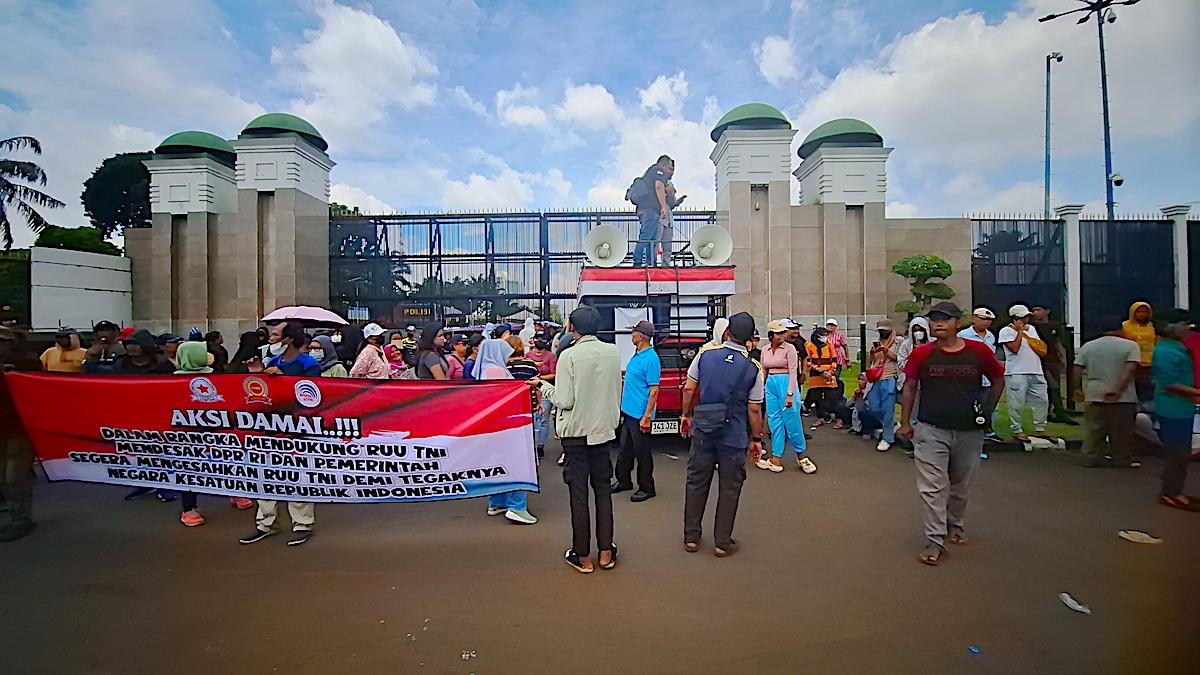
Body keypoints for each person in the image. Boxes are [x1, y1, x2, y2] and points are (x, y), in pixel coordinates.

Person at [897, 302, 1005, 566]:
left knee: (961, 484)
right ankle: (935, 539)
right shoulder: (922, 354)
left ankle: (955, 523)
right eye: (934, 319)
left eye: (945, 319)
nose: (938, 324)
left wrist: (987, 410)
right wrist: (906, 422)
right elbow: (910, 386)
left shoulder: (978, 352)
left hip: (969, 430)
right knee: (932, 487)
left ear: (958, 322)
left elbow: (998, 379)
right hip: (931, 428)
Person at [534, 306, 621, 572]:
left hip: (575, 434)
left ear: (572, 327)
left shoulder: (568, 356)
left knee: (579, 494)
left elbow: (565, 400)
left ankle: (582, 556)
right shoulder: (613, 352)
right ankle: (606, 552)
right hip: (602, 431)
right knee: (603, 491)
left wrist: (541, 385)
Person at [680, 312, 763, 557]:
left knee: (696, 482)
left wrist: (686, 415)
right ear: (750, 338)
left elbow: (689, 388)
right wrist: (756, 438)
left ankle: (691, 537)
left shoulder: (705, 355)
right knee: (729, 488)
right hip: (733, 435)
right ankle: (722, 542)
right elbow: (754, 409)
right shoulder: (753, 368)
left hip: (704, 430)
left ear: (727, 332)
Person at [242, 320, 318, 545]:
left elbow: (312, 397)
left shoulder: (309, 364)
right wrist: (257, 374)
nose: (271, 338)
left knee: (298, 477)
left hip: (298, 430)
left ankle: (302, 523)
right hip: (271, 429)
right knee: (267, 476)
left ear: (289, 339)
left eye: (275, 335)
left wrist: (284, 378)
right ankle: (266, 523)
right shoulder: (272, 362)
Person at [473, 337, 538, 525]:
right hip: (508, 424)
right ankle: (517, 506)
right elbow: (505, 397)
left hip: (493, 426)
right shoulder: (497, 370)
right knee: (517, 463)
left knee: (498, 463)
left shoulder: (484, 369)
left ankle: (497, 502)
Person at [1073, 316, 1141, 468]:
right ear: (1120, 328)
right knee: (1121, 431)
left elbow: (1077, 368)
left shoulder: (1088, 346)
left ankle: (1091, 457)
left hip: (1095, 392)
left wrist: (1077, 388)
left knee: (1094, 429)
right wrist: (1117, 390)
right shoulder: (1131, 346)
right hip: (1123, 397)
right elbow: (1130, 369)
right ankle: (1121, 459)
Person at [1149, 309, 1200, 511]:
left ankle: (1174, 490)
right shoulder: (1165, 351)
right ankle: (1170, 493)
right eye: (1184, 324)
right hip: (1172, 408)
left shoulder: (1176, 347)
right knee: (1176, 453)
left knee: (1181, 452)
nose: (1189, 328)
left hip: (1182, 407)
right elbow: (1169, 383)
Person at [0, 327, 42, 542]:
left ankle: (21, 519)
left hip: (19, 428)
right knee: (3, 478)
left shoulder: (25, 361)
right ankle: (15, 514)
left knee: (14, 476)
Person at [612, 320, 660, 502]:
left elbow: (654, 390)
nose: (631, 335)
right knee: (625, 450)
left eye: (633, 333)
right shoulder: (638, 354)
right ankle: (624, 480)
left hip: (640, 413)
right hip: (629, 411)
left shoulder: (651, 359)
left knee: (642, 452)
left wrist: (647, 417)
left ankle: (647, 487)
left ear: (640, 336)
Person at [755, 320, 811, 473]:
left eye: (783, 332)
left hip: (786, 383)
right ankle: (776, 458)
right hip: (771, 384)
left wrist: (790, 394)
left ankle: (801, 456)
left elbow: (793, 371)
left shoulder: (790, 348)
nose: (782, 336)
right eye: (778, 333)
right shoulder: (765, 349)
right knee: (774, 421)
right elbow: (763, 371)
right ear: (771, 335)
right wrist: (760, 389)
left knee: (792, 420)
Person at [174, 341, 215, 527]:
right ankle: (188, 508)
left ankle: (235, 493)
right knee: (189, 468)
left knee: (227, 460)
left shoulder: (216, 377)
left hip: (215, 428)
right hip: (186, 433)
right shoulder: (171, 382)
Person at [998, 304, 1050, 442]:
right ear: (1014, 318)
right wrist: (1020, 332)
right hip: (1017, 371)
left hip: (1036, 370)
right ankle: (1017, 429)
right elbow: (1014, 348)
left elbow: (1039, 347)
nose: (1025, 320)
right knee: (1016, 403)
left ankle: (1040, 428)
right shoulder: (1005, 331)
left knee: (1042, 400)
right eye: (1022, 317)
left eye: (1026, 317)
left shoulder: (1031, 329)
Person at [958, 307, 1000, 440]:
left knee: (990, 405)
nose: (986, 322)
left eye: (989, 320)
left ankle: (988, 430)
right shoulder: (963, 335)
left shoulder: (991, 336)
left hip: (987, 378)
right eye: (983, 319)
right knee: (971, 404)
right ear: (974, 318)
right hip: (970, 377)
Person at [1030, 305, 1074, 424]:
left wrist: (1063, 358)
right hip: (1039, 360)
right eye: (1034, 310)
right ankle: (1057, 412)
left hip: (1053, 360)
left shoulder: (1054, 326)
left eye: (1038, 310)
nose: (1035, 313)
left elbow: (1058, 343)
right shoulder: (1031, 327)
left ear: (1047, 311)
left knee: (1054, 386)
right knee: (1050, 387)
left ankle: (1052, 412)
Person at [631, 155, 672, 268]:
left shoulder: (649, 173)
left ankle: (651, 263)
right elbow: (658, 186)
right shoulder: (658, 170)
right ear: (663, 165)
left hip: (645, 209)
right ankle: (638, 262)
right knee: (646, 238)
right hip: (650, 210)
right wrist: (663, 207)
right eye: (669, 168)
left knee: (652, 240)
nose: (669, 172)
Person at [867, 319, 899, 451]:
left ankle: (887, 438)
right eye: (880, 330)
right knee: (873, 406)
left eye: (885, 330)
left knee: (888, 409)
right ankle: (892, 424)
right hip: (876, 378)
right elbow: (871, 361)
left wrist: (886, 351)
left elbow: (899, 358)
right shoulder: (878, 342)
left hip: (890, 377)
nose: (882, 333)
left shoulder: (898, 342)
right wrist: (872, 353)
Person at [526, 334, 558, 458]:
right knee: (531, 420)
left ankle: (541, 446)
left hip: (545, 390)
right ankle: (531, 445)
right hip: (531, 391)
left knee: (544, 419)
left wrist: (539, 379)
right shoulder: (528, 355)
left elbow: (553, 374)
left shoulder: (551, 356)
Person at [1122, 301, 1157, 403]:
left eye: (1145, 311)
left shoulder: (1153, 327)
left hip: (1150, 363)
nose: (1142, 314)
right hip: (1131, 362)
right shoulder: (1124, 326)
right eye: (1139, 311)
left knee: (1147, 390)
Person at [657, 169, 686, 266]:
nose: (672, 173)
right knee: (655, 242)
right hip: (658, 215)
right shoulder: (655, 180)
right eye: (670, 169)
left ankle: (666, 265)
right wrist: (665, 190)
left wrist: (677, 202)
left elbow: (672, 203)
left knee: (667, 243)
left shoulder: (670, 183)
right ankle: (653, 264)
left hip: (669, 218)